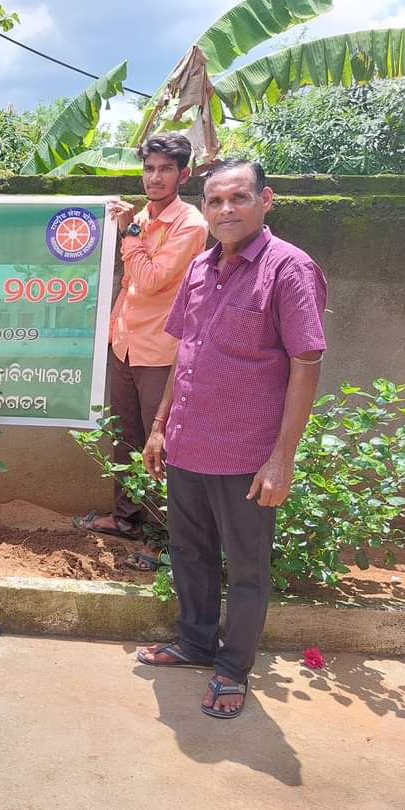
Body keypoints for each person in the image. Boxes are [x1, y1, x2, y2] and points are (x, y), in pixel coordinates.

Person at [136, 159, 327, 719]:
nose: (225, 210)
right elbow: (184, 352)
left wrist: (281, 459)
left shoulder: (289, 270)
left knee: (246, 568)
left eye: (238, 198)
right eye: (215, 201)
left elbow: (306, 363)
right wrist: (158, 427)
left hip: (246, 454)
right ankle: (195, 643)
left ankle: (231, 667)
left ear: (264, 199)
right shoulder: (199, 269)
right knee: (189, 551)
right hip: (189, 444)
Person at [74, 133, 208, 571]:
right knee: (125, 438)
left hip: (161, 352)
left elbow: (150, 280)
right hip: (126, 345)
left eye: (165, 169)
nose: (154, 177)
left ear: (183, 174)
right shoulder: (143, 217)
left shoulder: (189, 224)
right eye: (149, 168)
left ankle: (163, 539)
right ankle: (128, 519)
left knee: (161, 448)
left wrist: (129, 232)